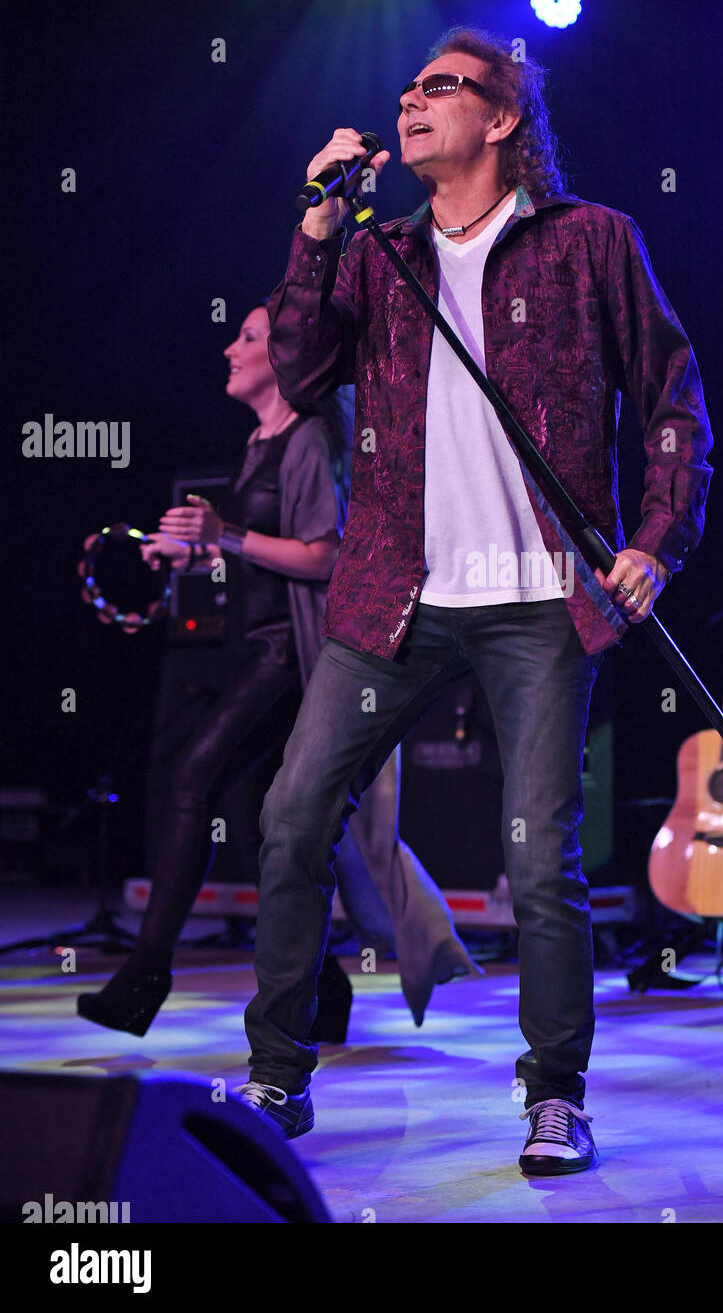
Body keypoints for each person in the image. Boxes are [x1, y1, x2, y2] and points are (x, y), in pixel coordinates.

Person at [240, 26, 713, 1176]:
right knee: (293, 815)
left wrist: (657, 537)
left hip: (540, 602)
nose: (410, 103)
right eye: (405, 88)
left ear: (500, 120)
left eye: (440, 89)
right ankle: (274, 1076)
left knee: (538, 857)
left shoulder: (590, 241)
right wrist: (312, 227)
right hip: (393, 595)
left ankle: (553, 1095)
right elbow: (297, 375)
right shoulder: (372, 253)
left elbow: (670, 400)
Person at [77, 306, 476, 1043]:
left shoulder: (313, 438)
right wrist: (199, 552)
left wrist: (223, 533)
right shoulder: (259, 440)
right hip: (263, 645)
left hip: (299, 657)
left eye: (251, 338)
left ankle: (146, 974)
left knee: (196, 776)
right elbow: (268, 551)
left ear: (287, 359)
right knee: (278, 822)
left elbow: (326, 556)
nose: (231, 346)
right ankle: (324, 985)